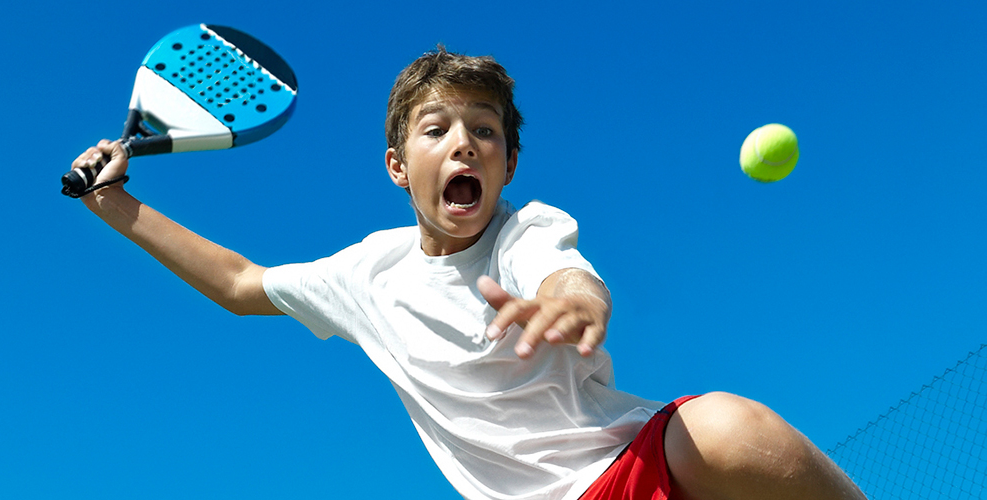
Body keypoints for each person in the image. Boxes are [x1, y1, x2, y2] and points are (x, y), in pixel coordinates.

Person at [68, 46, 866, 500]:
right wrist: (116, 209)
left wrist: (570, 301)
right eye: (436, 128)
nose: (464, 143)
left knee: (725, 425)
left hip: (620, 475)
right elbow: (242, 285)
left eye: (484, 130)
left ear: (508, 161)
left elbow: (565, 275)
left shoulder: (527, 229)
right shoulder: (364, 273)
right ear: (396, 166)